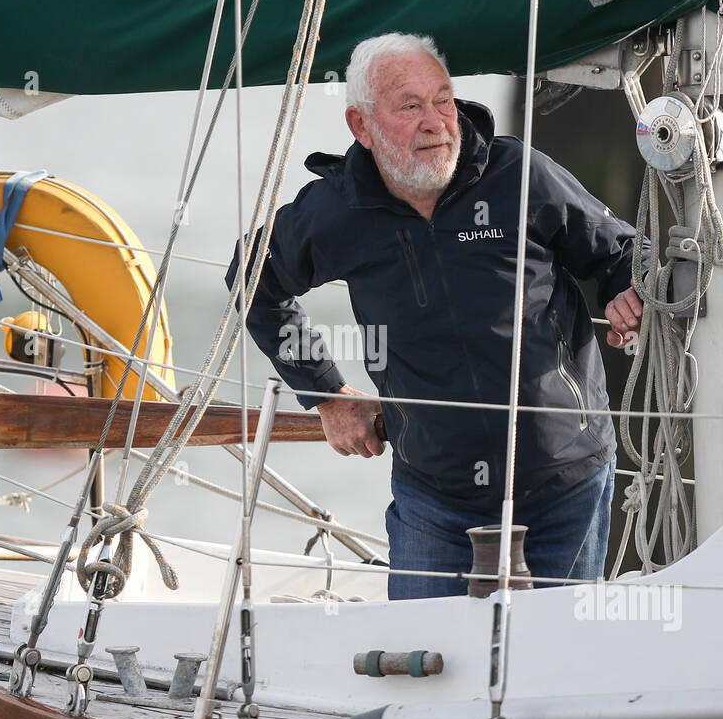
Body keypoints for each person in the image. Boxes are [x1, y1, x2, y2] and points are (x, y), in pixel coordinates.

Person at [226, 32, 645, 599]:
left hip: (564, 480)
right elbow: (251, 284)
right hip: (436, 499)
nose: (435, 122)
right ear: (361, 127)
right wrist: (325, 392)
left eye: (442, 100)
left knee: (556, 669)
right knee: (429, 669)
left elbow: (620, 250)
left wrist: (627, 290)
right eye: (410, 106)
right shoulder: (338, 210)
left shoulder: (518, 173)